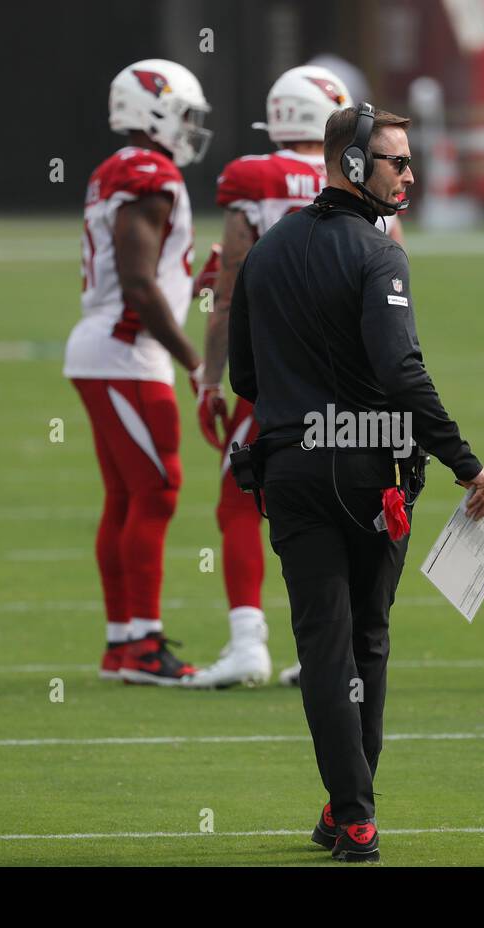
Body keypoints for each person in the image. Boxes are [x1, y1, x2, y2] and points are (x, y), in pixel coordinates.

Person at [228, 105, 484, 861]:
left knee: (322, 644)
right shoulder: (379, 255)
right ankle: (355, 811)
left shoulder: (267, 252)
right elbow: (399, 370)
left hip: (288, 467)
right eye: (396, 162)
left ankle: (347, 814)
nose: (410, 175)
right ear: (354, 166)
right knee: (368, 641)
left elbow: (244, 376)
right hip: (368, 470)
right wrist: (465, 462)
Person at [184, 65, 402, 690]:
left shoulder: (254, 177)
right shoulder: (373, 176)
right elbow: (395, 277)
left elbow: (228, 293)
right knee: (355, 509)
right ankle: (338, 651)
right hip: (360, 378)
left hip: (283, 377)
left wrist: (210, 377)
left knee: (238, 503)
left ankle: (248, 641)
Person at [63, 59, 211, 685]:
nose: (192, 128)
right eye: (184, 113)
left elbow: (155, 278)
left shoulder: (123, 170)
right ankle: (143, 647)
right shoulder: (149, 171)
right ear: (153, 109)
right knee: (156, 490)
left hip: (111, 349)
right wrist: (197, 362)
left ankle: (123, 643)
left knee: (128, 495)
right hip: (126, 351)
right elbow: (139, 283)